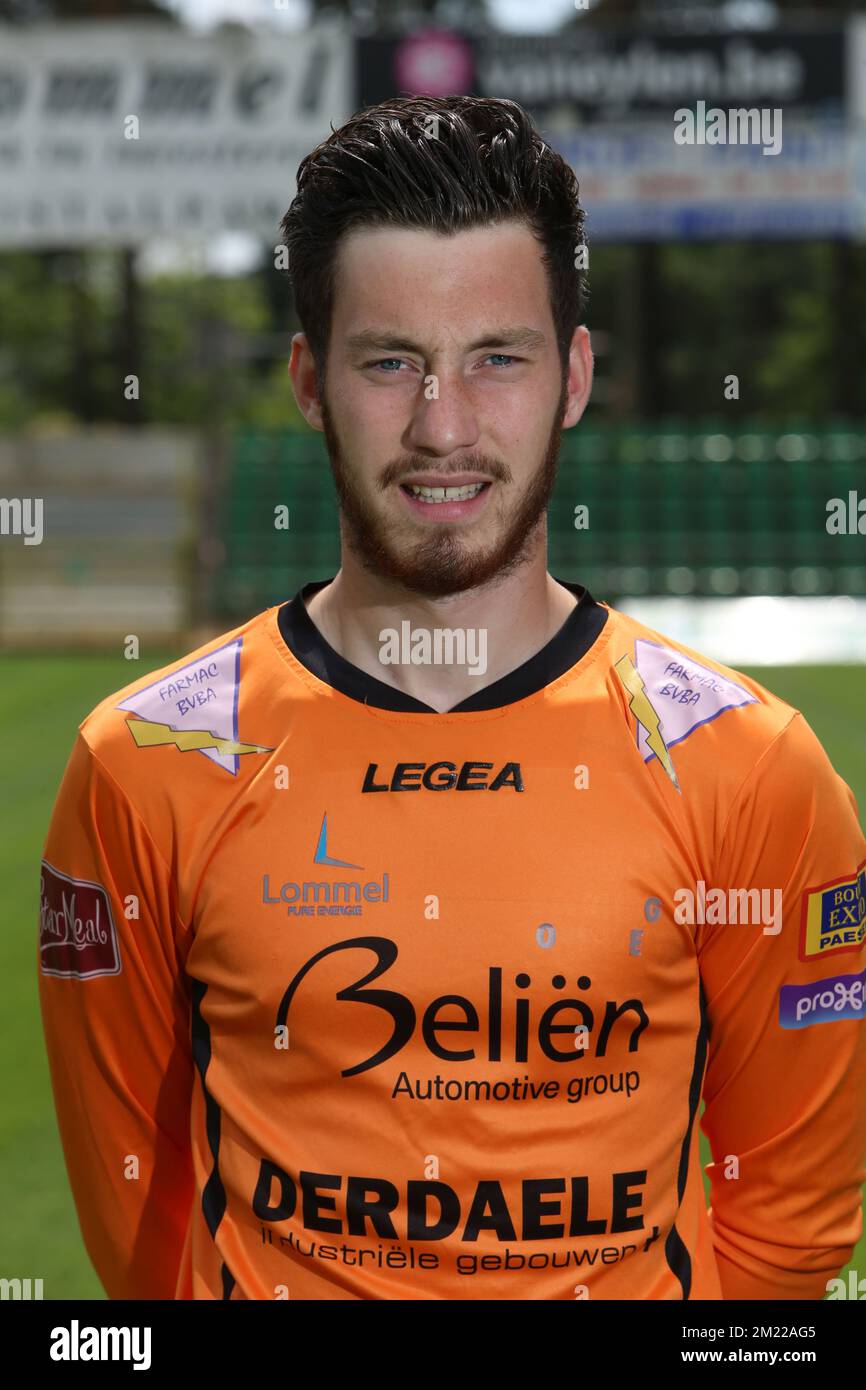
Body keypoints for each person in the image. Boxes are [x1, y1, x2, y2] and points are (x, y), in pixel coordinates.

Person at [38, 96, 866, 1301]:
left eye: (496, 358)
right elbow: (144, 1229)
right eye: (390, 363)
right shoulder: (144, 764)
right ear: (310, 382)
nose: (443, 426)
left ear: (571, 376)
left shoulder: (750, 767)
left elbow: (788, 1230)